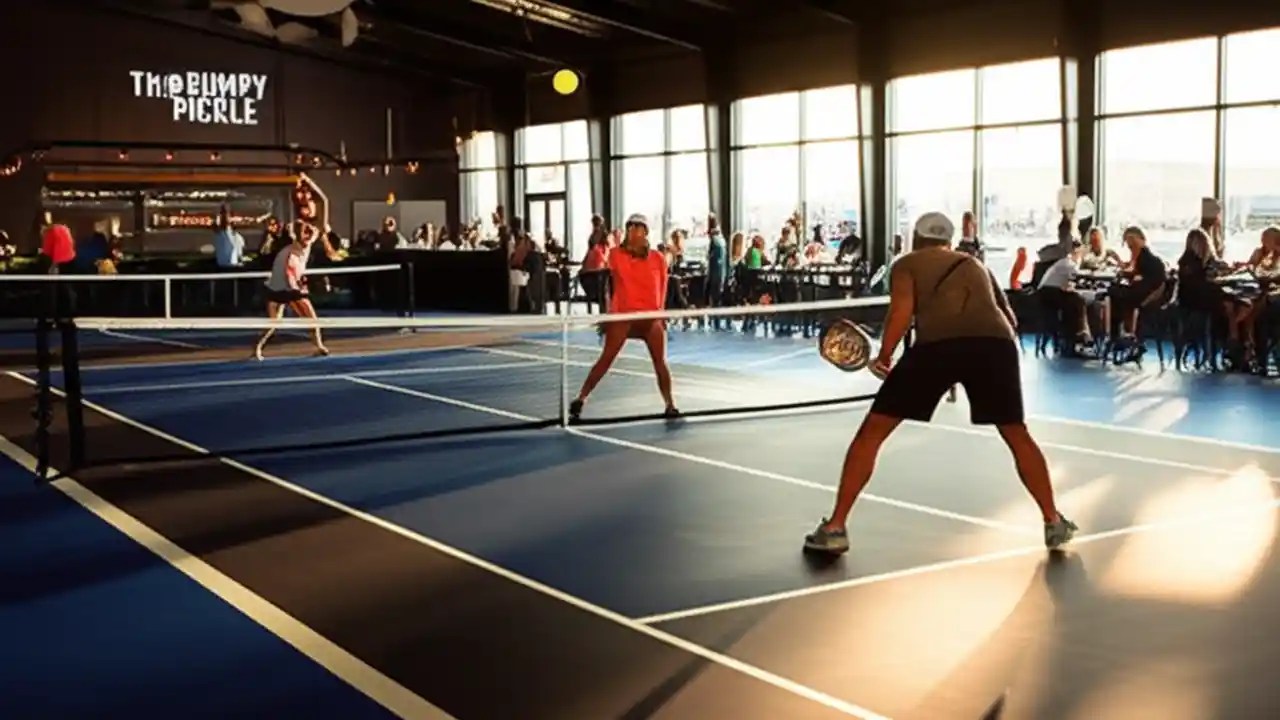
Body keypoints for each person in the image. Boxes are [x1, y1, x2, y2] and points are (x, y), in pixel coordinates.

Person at [804, 211, 1077, 555]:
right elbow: (1009, 317)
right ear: (948, 241)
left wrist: (885, 355)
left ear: (917, 238)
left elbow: (901, 312)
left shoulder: (906, 264)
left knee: (872, 434)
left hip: (938, 346)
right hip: (996, 346)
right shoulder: (975, 264)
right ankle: (1053, 520)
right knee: (1017, 434)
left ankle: (835, 528)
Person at [569, 213, 679, 421]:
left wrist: (661, 317)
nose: (634, 231)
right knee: (606, 359)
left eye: (639, 228)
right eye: (631, 227)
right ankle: (581, 399)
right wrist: (608, 316)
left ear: (646, 232)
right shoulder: (616, 255)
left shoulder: (658, 259)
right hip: (623, 317)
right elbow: (608, 285)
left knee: (660, 362)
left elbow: (662, 288)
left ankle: (670, 404)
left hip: (650, 318)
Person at [252, 221, 342, 360]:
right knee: (273, 324)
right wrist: (297, 287)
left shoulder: (307, 244)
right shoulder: (292, 252)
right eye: (305, 232)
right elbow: (289, 272)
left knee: (312, 319)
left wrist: (315, 224)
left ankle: (319, 347)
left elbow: (316, 231)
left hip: (289, 288)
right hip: (279, 288)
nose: (309, 236)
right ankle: (257, 348)